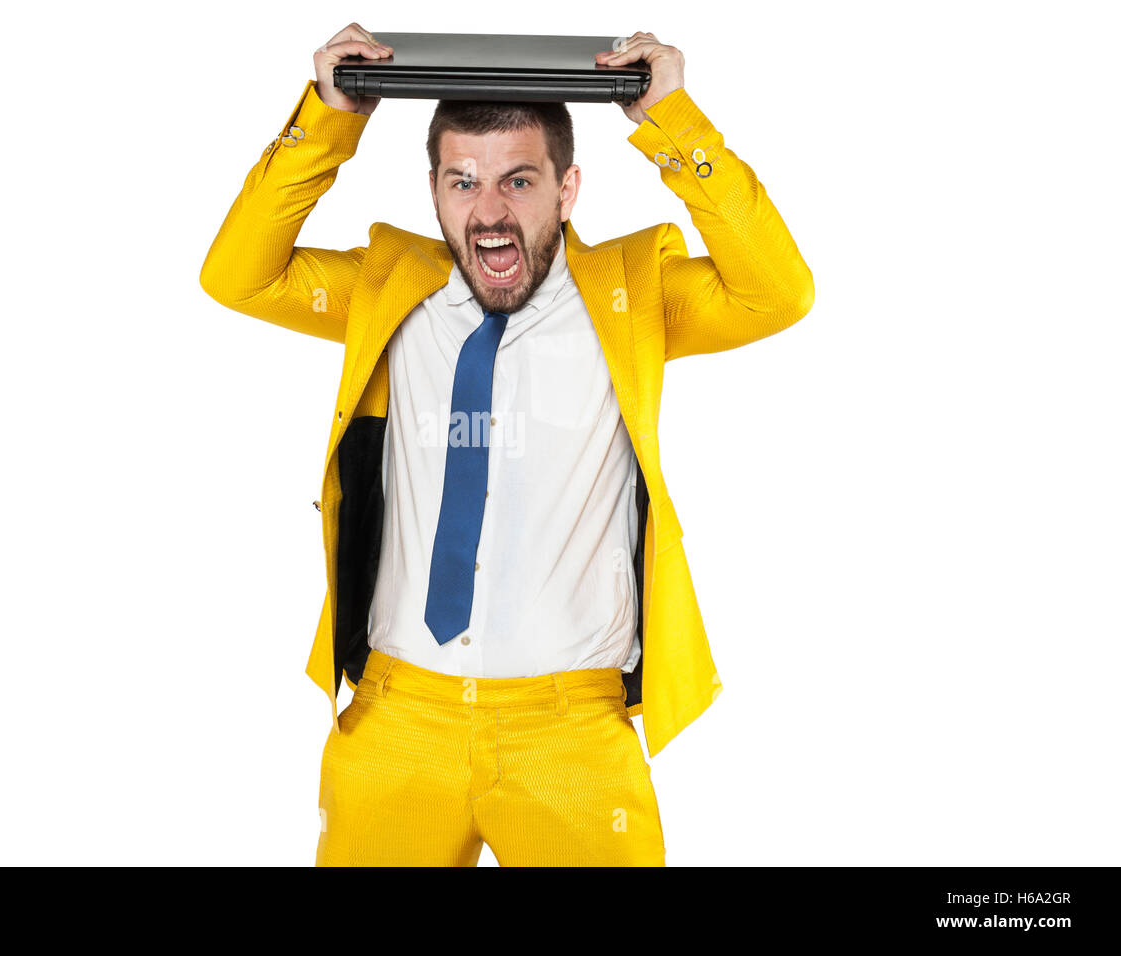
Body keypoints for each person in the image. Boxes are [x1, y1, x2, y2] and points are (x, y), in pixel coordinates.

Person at [199, 23, 814, 866]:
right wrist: (330, 117)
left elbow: (777, 293)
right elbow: (238, 274)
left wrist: (672, 120)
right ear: (435, 190)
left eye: (518, 181)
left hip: (570, 737)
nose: (489, 211)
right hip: (396, 723)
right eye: (464, 182)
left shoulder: (633, 295)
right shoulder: (387, 289)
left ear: (568, 189)